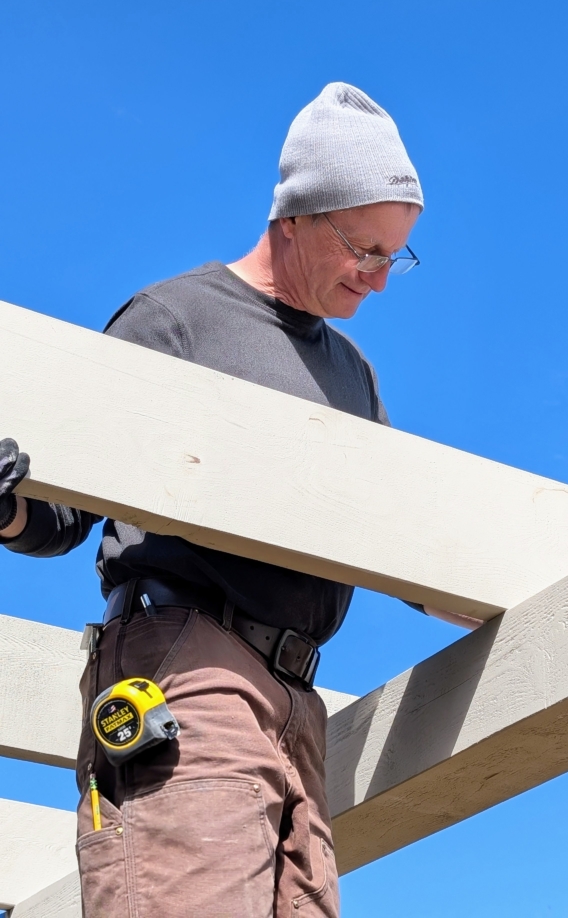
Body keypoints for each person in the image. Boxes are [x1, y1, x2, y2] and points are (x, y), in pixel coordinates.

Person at [0, 83, 474, 916]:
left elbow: (398, 532)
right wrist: (6, 504)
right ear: (295, 216)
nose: (379, 281)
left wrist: (495, 593)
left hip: (300, 705)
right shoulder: (177, 320)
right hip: (191, 670)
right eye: (365, 251)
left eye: (394, 257)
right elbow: (61, 516)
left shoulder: (353, 375)